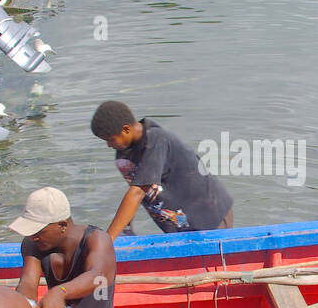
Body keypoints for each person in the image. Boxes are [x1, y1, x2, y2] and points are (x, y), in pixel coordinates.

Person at [91, 100, 234, 238]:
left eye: (110, 139)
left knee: (214, 259)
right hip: (179, 222)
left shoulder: (157, 140)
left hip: (209, 215)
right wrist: (125, 228)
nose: (109, 145)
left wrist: (108, 241)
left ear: (126, 130)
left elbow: (137, 192)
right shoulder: (124, 154)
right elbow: (133, 192)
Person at [11, 187, 118, 308]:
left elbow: (97, 276)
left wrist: (59, 292)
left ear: (62, 225)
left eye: (38, 232)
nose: (33, 237)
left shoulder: (97, 239)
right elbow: (27, 283)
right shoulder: (32, 244)